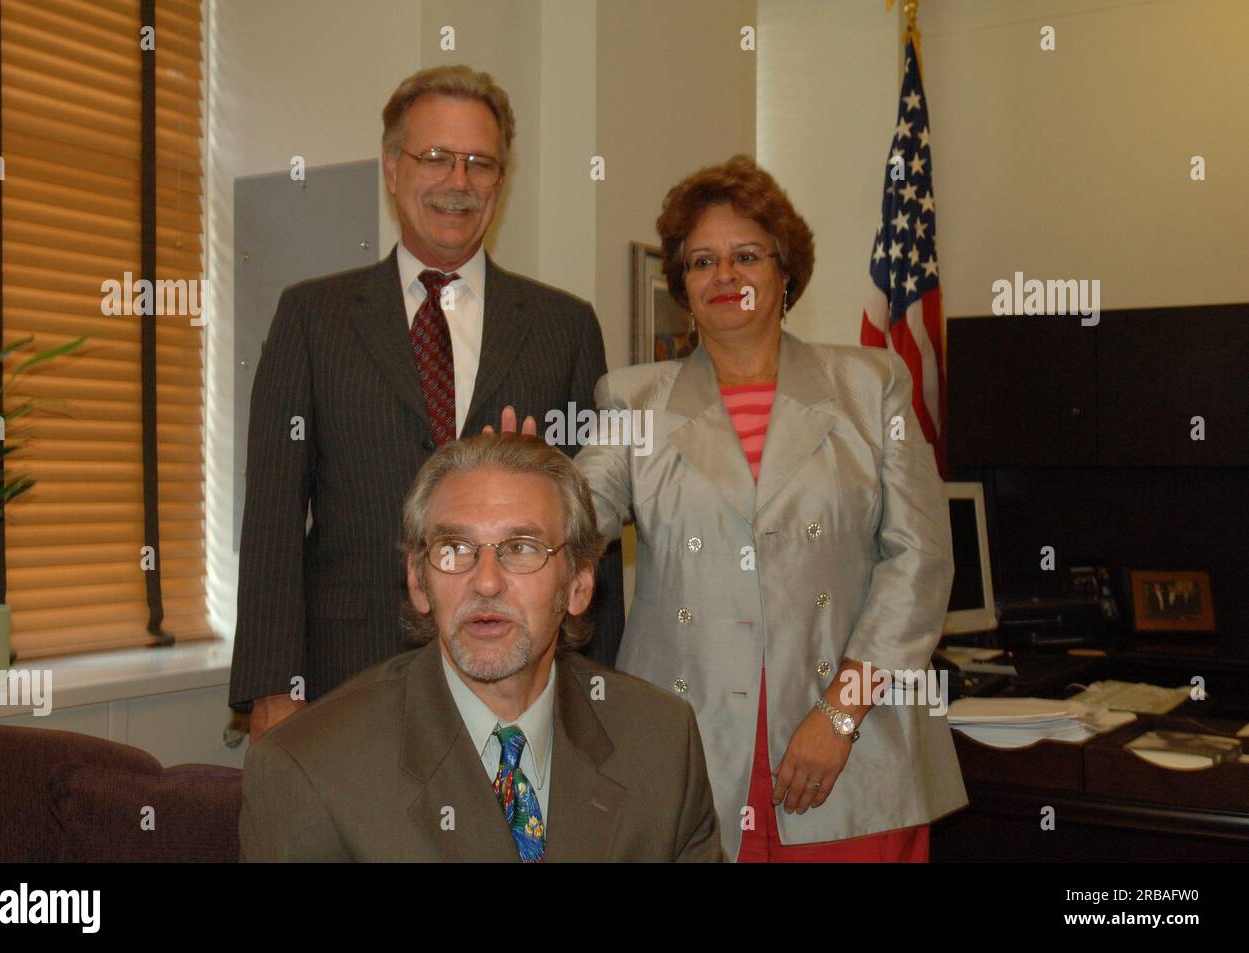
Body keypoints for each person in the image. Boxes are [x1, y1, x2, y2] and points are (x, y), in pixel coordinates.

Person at [572, 155, 968, 862]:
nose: (725, 275)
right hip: (693, 750)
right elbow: (573, 521)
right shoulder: (633, 400)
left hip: (853, 749)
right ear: (682, 287)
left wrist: (840, 713)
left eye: (746, 255)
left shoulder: (871, 385)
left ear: (786, 272)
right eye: (702, 261)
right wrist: (509, 481)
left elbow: (920, 559)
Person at [229, 65, 624, 744]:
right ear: (391, 167)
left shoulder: (565, 327)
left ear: (501, 180)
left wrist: (592, 691)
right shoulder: (311, 317)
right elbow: (271, 517)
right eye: (435, 157)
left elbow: (591, 537)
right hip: (347, 686)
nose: (457, 181)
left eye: (480, 162)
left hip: (518, 688)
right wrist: (271, 690)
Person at [238, 433, 722, 862]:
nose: (486, 582)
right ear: (418, 581)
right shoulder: (307, 771)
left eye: (522, 548)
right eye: (454, 550)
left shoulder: (662, 743)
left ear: (578, 584)